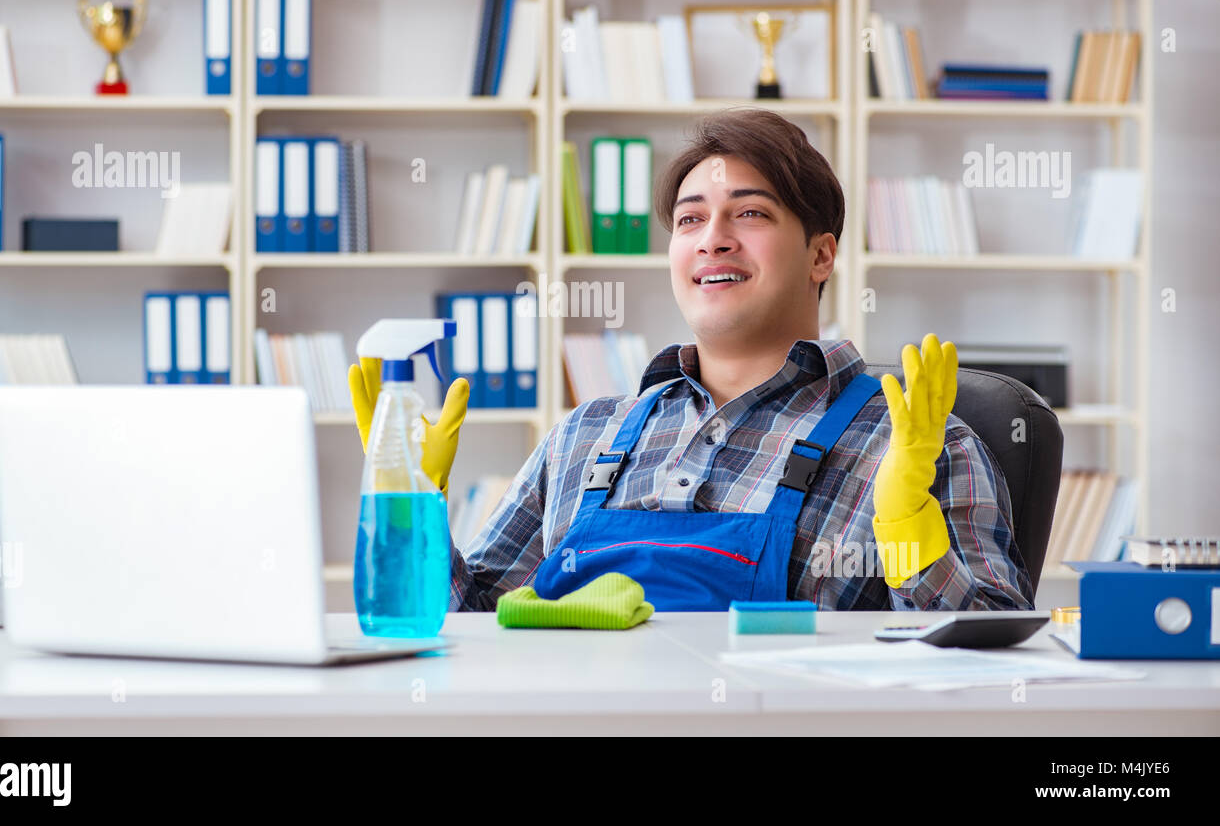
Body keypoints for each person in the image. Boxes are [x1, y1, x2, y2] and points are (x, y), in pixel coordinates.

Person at [350, 108, 1034, 612]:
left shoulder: (918, 443)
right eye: (688, 219)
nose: (713, 239)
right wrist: (410, 499)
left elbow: (991, 667)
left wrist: (910, 531)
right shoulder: (583, 437)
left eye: (751, 214)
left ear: (821, 254)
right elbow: (467, 627)